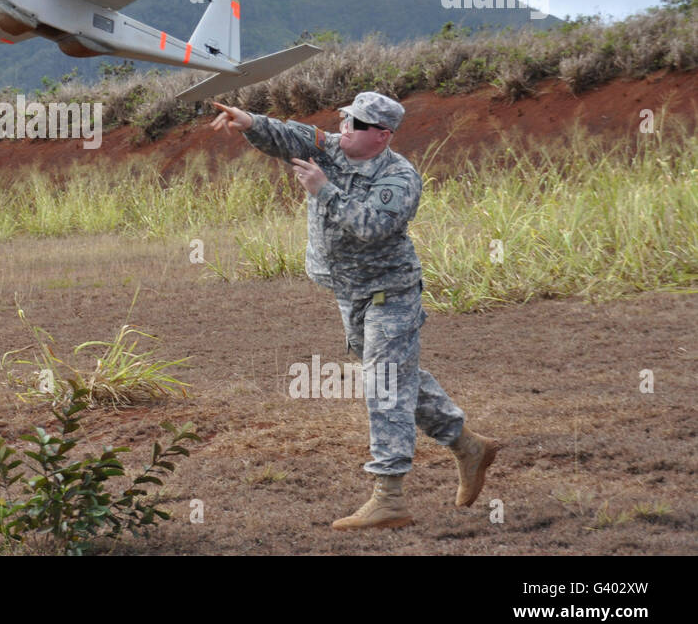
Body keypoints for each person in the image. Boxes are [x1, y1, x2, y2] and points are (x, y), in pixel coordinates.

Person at [210, 91, 500, 529]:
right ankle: (467, 444)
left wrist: (322, 189)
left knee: (384, 384)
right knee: (398, 377)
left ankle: (390, 498)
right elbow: (289, 136)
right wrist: (249, 120)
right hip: (350, 293)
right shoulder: (328, 146)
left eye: (356, 125)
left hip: (390, 294)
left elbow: (373, 226)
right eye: (345, 119)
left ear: (381, 136)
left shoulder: (399, 178)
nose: (344, 128)